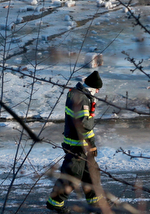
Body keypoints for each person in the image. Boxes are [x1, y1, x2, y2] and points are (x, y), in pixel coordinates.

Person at [47, 70, 103, 212]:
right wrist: (91, 145)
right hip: (77, 146)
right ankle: (55, 203)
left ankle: (95, 202)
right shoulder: (82, 98)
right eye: (97, 89)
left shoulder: (78, 94)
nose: (97, 92)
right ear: (93, 87)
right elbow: (84, 124)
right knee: (72, 175)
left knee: (91, 173)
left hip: (80, 145)